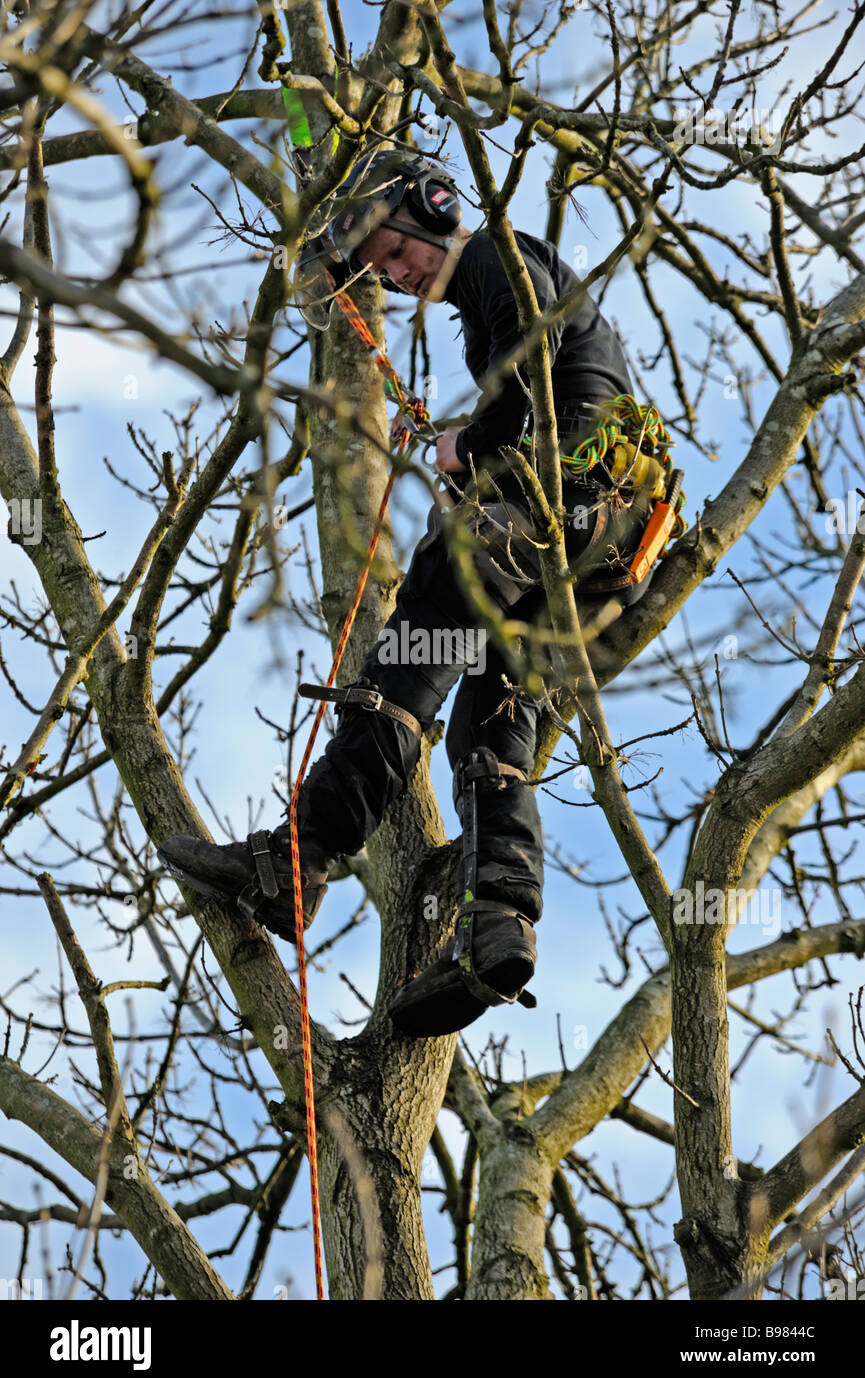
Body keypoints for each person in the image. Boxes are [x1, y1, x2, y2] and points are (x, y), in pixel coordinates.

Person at [158, 152, 668, 1037]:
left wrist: (466, 448)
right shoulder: (497, 283)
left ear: (431, 204)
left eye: (393, 248)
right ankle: (497, 929)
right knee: (493, 721)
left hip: (567, 504)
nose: (399, 274)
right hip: (607, 551)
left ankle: (301, 853)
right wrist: (467, 441)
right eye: (383, 271)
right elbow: (530, 387)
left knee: (418, 641)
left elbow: (538, 388)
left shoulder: (490, 255)